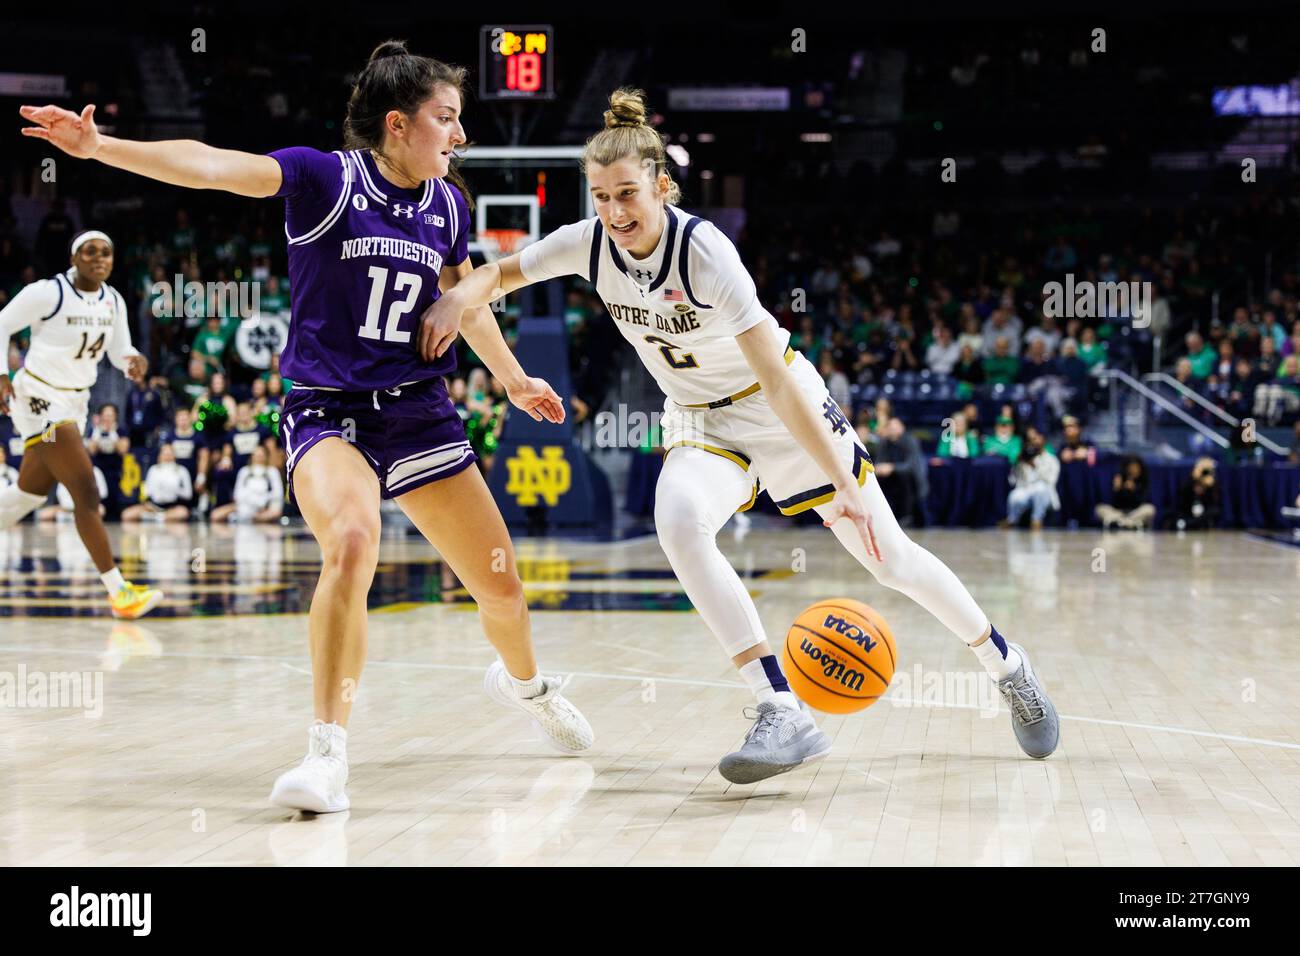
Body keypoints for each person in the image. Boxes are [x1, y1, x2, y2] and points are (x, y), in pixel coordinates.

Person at [21, 39, 593, 813]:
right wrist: (102, 148)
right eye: (446, 118)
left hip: (419, 411)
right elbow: (211, 165)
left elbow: (466, 301)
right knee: (352, 543)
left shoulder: (449, 204)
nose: (460, 135)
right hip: (330, 409)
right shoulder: (326, 177)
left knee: (501, 589)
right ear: (398, 124)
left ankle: (525, 686)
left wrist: (514, 379)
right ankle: (326, 755)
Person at [422, 87, 1060, 781]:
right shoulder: (588, 244)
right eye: (600, 197)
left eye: (627, 194)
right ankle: (779, 707)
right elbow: (498, 275)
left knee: (890, 560)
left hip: (776, 405)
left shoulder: (705, 251)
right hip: (700, 418)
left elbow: (780, 384)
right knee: (678, 522)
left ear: (662, 186)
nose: (614, 211)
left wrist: (842, 484)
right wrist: (457, 297)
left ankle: (1008, 667)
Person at [0, 230, 163, 618]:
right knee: (86, 491)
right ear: (74, 258)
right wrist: (1, 374)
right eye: (90, 252)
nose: (100, 258)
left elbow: (119, 350)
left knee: (29, 493)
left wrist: (133, 359)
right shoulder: (48, 292)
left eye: (106, 253)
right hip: (39, 400)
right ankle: (119, 592)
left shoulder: (113, 300)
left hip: (75, 401)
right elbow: (2, 323)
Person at [1002, 427, 1059, 530]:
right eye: (1032, 440)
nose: (1035, 442)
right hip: (1027, 491)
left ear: (1043, 440)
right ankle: (1012, 520)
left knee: (1040, 488)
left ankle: (1036, 520)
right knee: (1015, 495)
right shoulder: (1024, 458)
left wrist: (1034, 467)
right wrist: (1018, 463)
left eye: (1037, 439)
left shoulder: (1051, 459)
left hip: (1045, 494)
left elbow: (1051, 481)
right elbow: (1013, 480)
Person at [211, 445, 283, 523]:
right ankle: (249, 518)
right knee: (215, 515)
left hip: (264, 507)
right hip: (244, 506)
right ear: (252, 457)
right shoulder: (244, 471)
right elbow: (237, 493)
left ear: (266, 457)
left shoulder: (272, 471)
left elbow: (277, 493)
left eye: (261, 455)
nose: (259, 458)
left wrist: (264, 503)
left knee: (275, 513)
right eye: (257, 455)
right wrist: (247, 504)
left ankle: (254, 519)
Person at [121, 442, 193, 523]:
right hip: (153, 507)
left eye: (169, 454)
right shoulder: (153, 469)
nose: (167, 457)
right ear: (160, 455)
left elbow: (188, 494)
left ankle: (158, 518)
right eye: (165, 454)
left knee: (183, 513)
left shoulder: (182, 470)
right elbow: (147, 491)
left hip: (172, 507)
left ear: (174, 455)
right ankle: (156, 517)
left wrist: (175, 490)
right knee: (127, 514)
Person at [1095, 456, 1155, 529]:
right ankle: (1126, 523)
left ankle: (1124, 523)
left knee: (1149, 509)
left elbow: (1144, 501)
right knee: (1099, 509)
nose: (1134, 470)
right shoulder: (1119, 478)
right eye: (1131, 468)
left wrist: (1134, 490)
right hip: (1118, 513)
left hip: (1135, 513)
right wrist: (1117, 489)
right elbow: (1112, 502)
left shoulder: (1143, 480)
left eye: (1136, 468)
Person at [1164, 456, 1221, 530]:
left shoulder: (1212, 484)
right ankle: (1188, 523)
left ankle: (1187, 524)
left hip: (1204, 512)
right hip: (1189, 511)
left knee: (1214, 511)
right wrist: (1195, 489)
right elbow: (1183, 501)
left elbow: (1214, 502)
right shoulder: (1191, 481)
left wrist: (1205, 489)